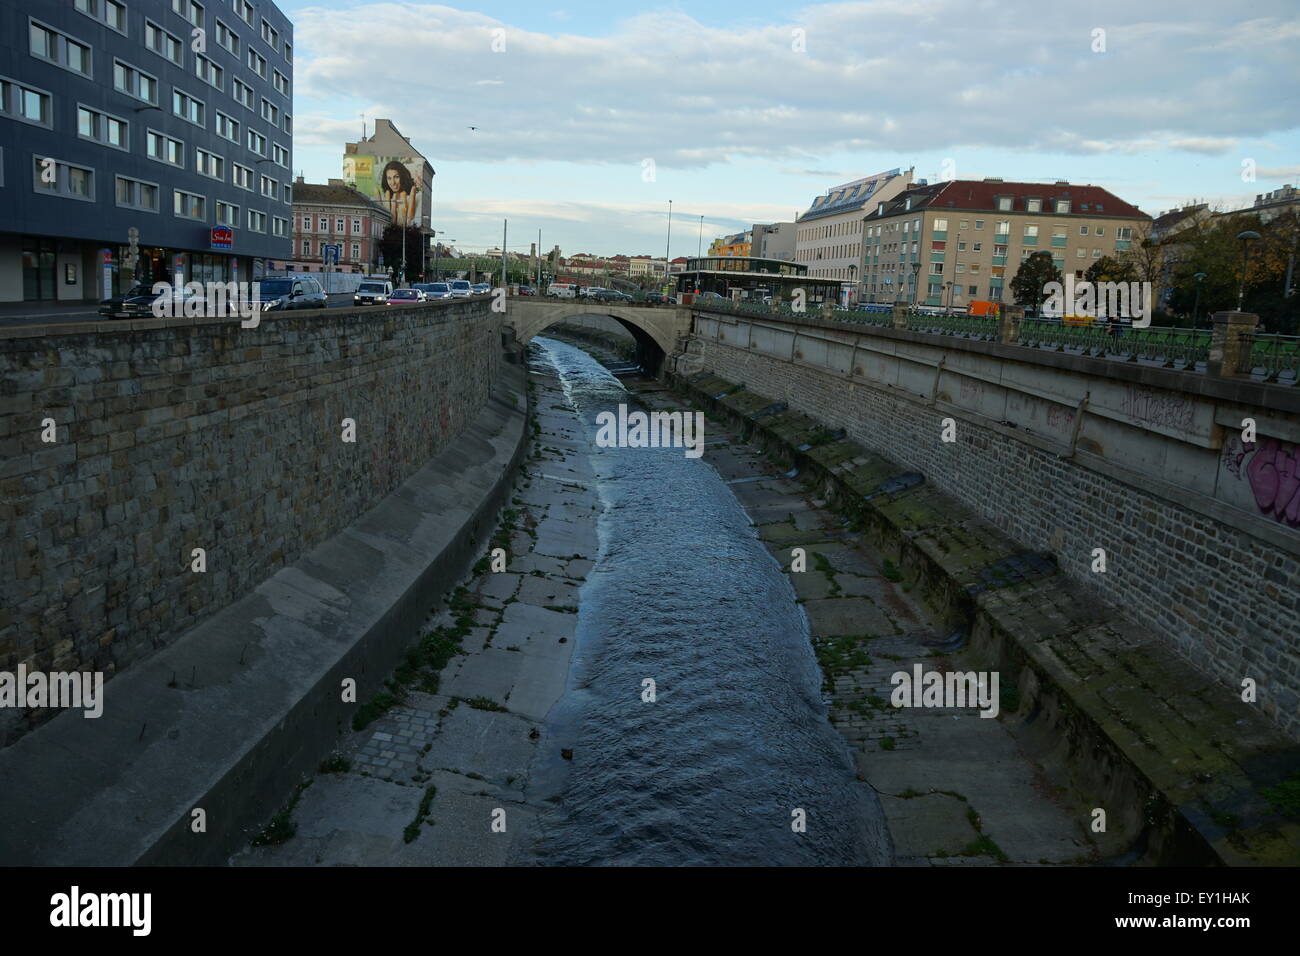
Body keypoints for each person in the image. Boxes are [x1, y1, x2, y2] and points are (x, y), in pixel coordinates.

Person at [378, 161, 420, 227]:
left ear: (403, 177)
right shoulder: (385, 200)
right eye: (389, 178)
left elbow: (413, 222)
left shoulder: (413, 197)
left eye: (396, 177)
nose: (393, 182)